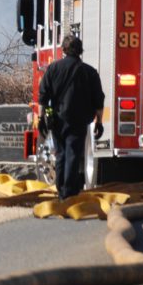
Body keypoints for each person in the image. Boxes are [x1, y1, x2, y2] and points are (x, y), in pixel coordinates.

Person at [38, 32, 106, 198]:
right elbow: (99, 100)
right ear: (80, 51)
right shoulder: (90, 72)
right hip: (79, 120)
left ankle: (61, 190)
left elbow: (43, 96)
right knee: (73, 154)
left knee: (60, 153)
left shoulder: (53, 68)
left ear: (64, 50)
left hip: (57, 119)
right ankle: (69, 192)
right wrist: (99, 122)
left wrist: (42, 118)